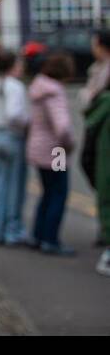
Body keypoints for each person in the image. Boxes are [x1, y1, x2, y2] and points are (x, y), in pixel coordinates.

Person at [27, 51, 78, 256]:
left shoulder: (39, 87)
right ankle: (50, 240)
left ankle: (38, 235)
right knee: (59, 193)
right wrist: (70, 144)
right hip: (55, 150)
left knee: (47, 193)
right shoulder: (55, 92)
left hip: (39, 148)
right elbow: (63, 127)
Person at [0, 50, 29, 246]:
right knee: (15, 186)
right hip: (12, 136)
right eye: (19, 64)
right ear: (12, 66)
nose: (21, 67)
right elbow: (13, 114)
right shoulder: (16, 86)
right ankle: (13, 230)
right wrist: (27, 122)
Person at [77, 29, 110, 274]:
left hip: (55, 151)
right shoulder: (98, 70)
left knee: (56, 184)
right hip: (54, 149)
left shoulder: (102, 74)